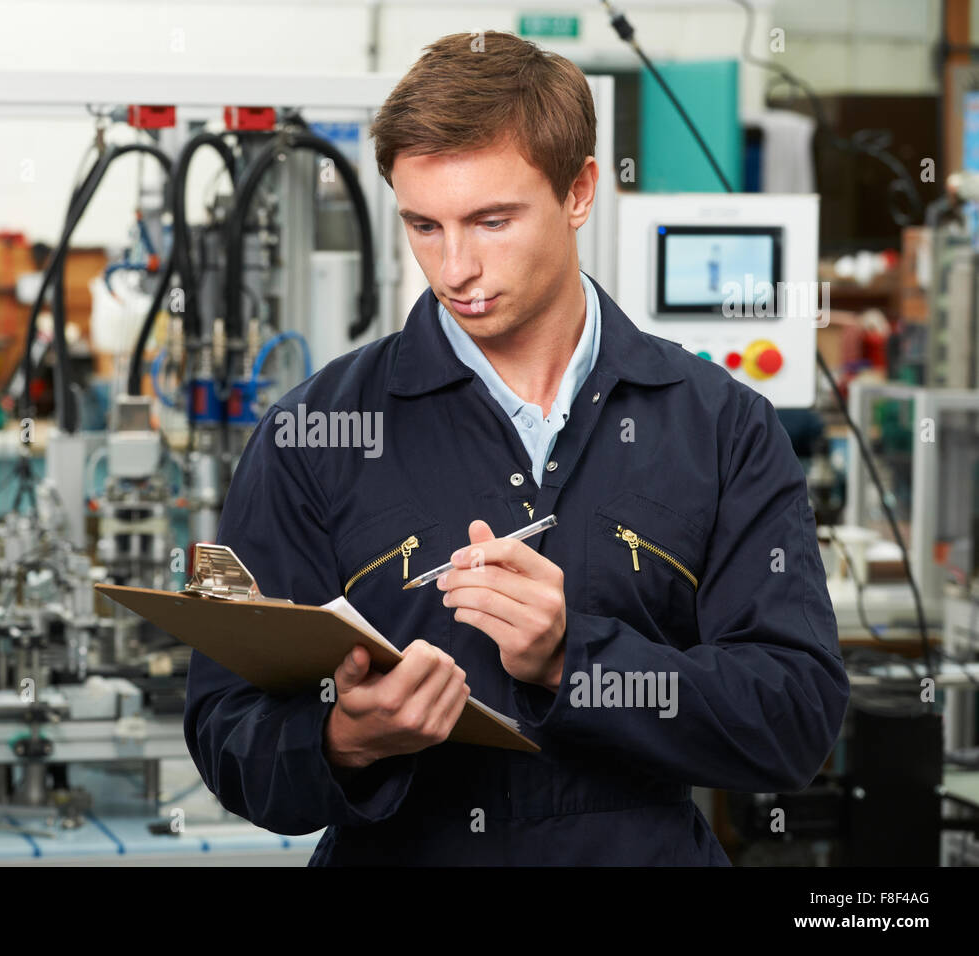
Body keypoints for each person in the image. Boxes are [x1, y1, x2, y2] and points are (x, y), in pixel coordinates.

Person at [183, 30, 849, 865]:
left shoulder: (721, 427)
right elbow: (224, 729)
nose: (455, 267)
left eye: (492, 221)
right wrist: (344, 737)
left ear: (579, 191)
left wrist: (576, 657)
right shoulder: (314, 434)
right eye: (423, 225)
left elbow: (794, 722)